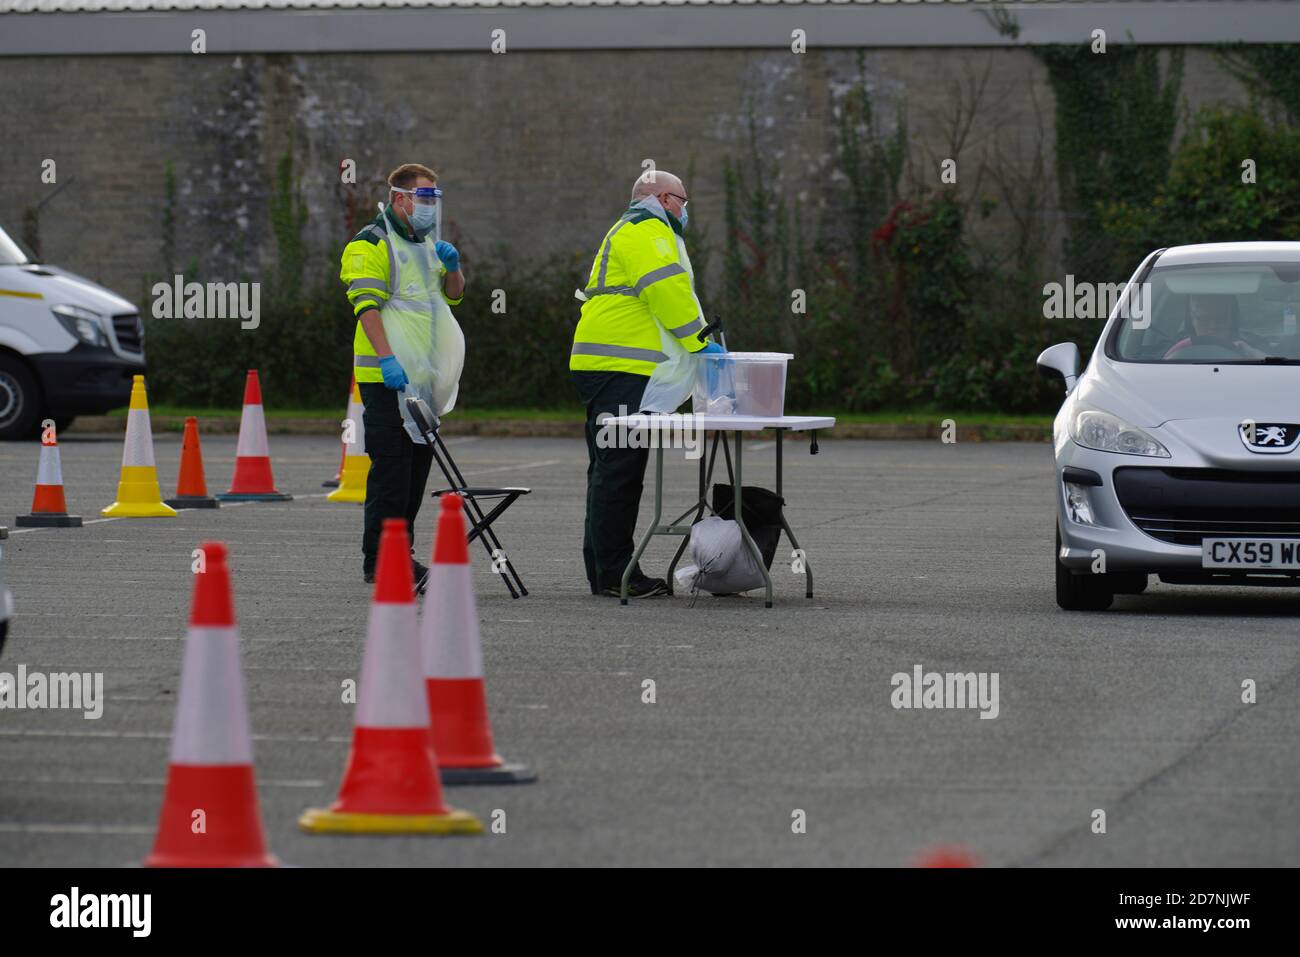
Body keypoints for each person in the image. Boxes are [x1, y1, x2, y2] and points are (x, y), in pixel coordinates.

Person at [570, 170, 723, 598]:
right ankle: (617, 572)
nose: (685, 209)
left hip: (610, 363)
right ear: (662, 199)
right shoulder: (647, 228)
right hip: (621, 366)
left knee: (607, 469)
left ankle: (605, 571)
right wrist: (700, 341)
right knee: (619, 470)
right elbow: (666, 290)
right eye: (682, 200)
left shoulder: (634, 230)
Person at [340, 163, 465, 589]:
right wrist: (388, 360)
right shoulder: (372, 242)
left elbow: (452, 296)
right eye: (425, 198)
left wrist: (453, 267)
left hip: (423, 381)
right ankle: (380, 561)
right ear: (400, 199)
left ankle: (402, 555)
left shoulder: (427, 243)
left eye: (435, 198)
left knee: (415, 475)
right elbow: (366, 306)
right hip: (387, 379)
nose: (432, 206)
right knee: (391, 474)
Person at [1164, 294, 1265, 359]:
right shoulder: (1165, 348)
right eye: (1204, 319)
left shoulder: (1254, 346)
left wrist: (1252, 353)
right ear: (1192, 321)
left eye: (1220, 319)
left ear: (1231, 320)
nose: (1212, 326)